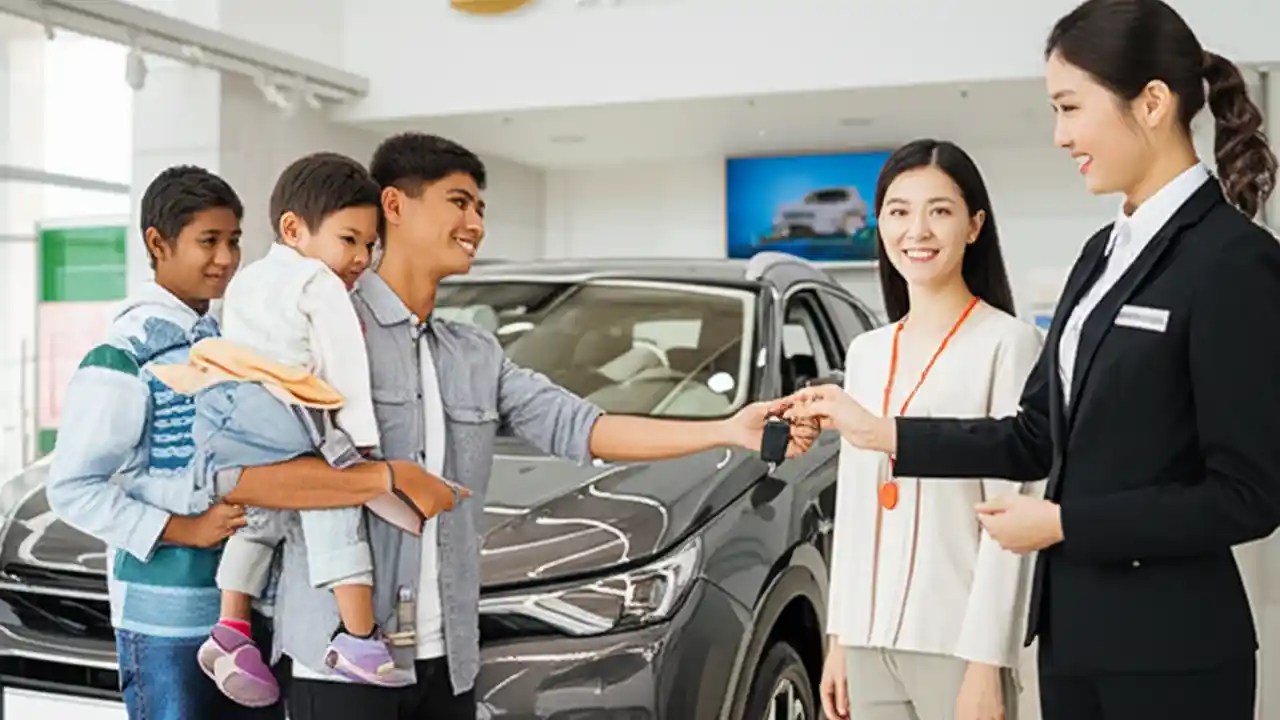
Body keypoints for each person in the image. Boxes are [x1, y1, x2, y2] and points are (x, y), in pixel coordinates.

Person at [209, 132, 818, 720]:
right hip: (336, 657)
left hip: (449, 658)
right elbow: (246, 472)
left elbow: (582, 427)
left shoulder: (474, 354)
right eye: (459, 202)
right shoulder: (320, 323)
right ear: (394, 205)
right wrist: (387, 478)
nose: (475, 223)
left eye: (480, 209)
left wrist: (726, 429)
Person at [789, 1, 1280, 718]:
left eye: (1070, 107)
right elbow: (1034, 435)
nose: (1060, 135)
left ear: (1151, 103)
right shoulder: (1102, 254)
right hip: (1073, 644)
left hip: (1171, 653)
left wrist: (1064, 524)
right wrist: (883, 432)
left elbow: (1249, 495)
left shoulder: (1233, 261)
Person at [46, 165, 456, 720]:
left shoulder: (234, 337)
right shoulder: (123, 354)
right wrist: (183, 529)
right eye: (208, 241)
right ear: (158, 244)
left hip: (249, 610)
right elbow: (73, 488)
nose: (225, 258)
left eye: (234, 241)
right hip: (169, 616)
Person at [816, 139, 1042, 720]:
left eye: (939, 210)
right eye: (898, 211)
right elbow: (856, 506)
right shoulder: (866, 352)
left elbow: (1010, 515)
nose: (916, 230)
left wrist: (988, 663)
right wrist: (839, 638)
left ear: (974, 226)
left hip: (956, 642)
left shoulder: (1009, 343)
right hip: (867, 641)